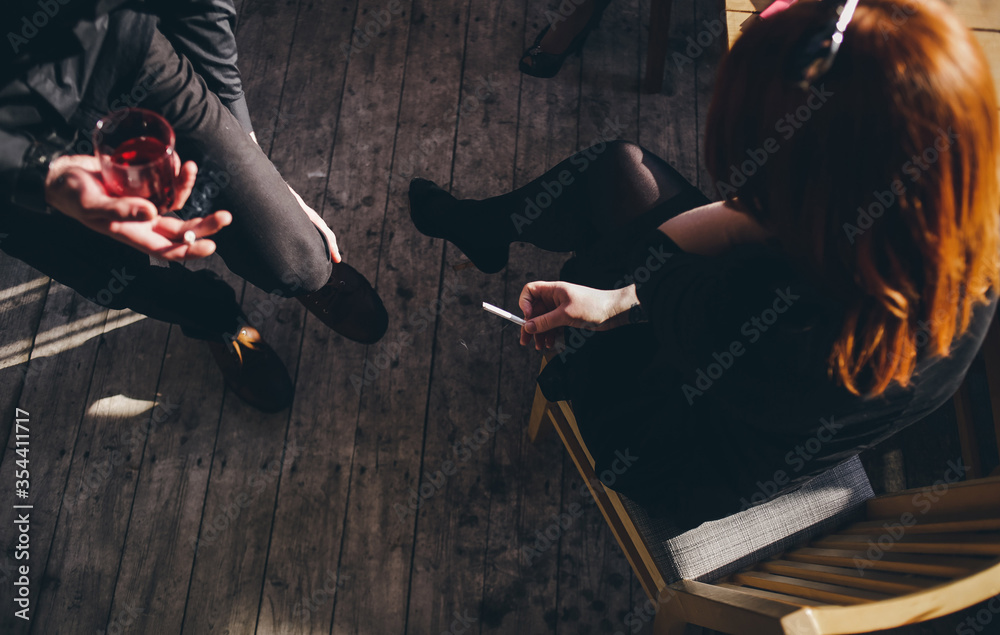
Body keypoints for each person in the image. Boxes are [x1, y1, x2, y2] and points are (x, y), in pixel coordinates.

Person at [410, 0, 999, 529]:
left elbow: (661, 255)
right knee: (620, 178)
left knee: (614, 196)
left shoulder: (760, 318)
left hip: (668, 447)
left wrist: (620, 301)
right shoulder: (968, 250)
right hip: (772, 404)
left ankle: (488, 231)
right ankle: (488, 229)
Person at [0, 0, 388, 413]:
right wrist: (39, 173)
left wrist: (246, 142)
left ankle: (316, 280)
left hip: (119, 50)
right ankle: (215, 320)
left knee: (297, 260)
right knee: (116, 280)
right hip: (11, 162)